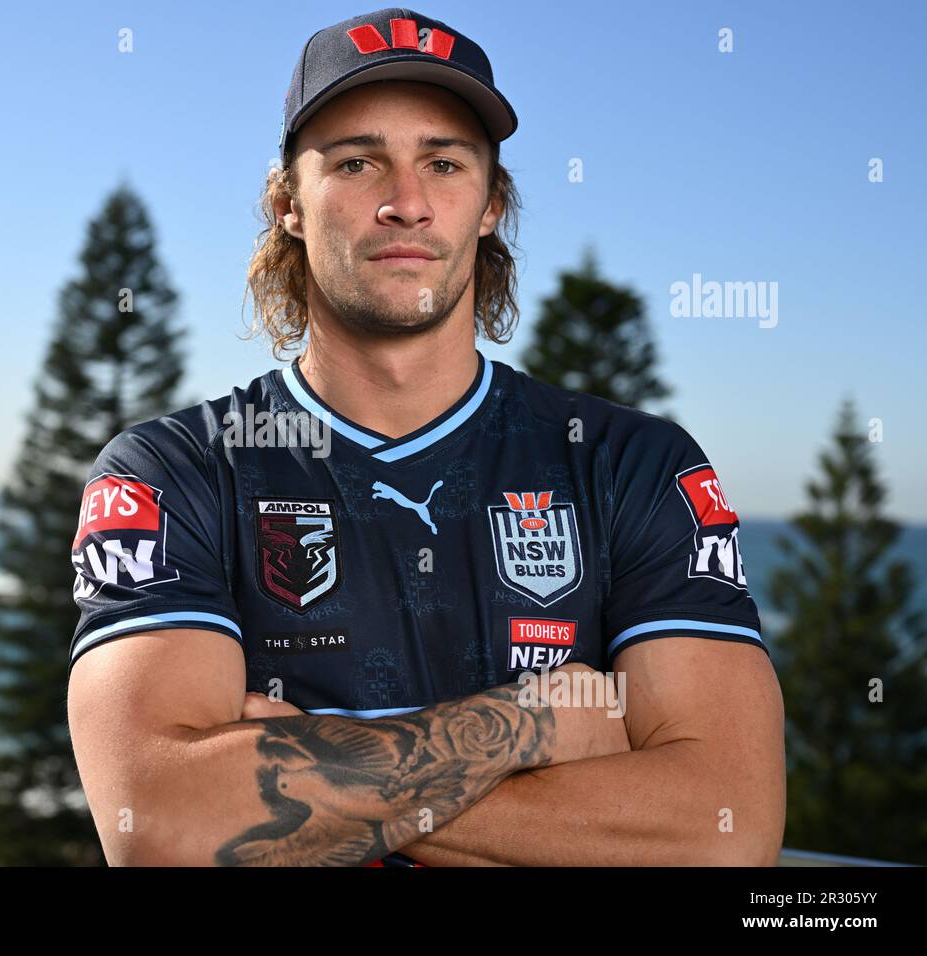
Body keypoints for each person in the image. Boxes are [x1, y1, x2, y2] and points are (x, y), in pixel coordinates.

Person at [66, 7, 785, 866]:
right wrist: (533, 727)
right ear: (288, 204)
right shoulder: (177, 471)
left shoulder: (634, 465)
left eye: (444, 163)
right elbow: (166, 827)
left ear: (491, 207)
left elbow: (725, 831)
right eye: (358, 162)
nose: (405, 203)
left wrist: (302, 777)